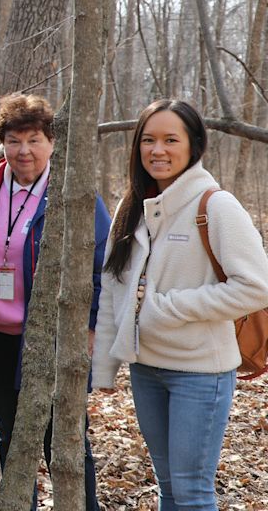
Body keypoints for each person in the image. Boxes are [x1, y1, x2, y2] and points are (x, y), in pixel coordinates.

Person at [93, 99, 268, 511]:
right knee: (168, 488)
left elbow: (257, 288)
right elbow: (112, 289)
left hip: (200, 374)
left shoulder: (216, 205)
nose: (158, 150)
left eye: (171, 140)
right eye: (149, 140)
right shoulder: (132, 206)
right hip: (146, 369)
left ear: (194, 145)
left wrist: (166, 308)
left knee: (191, 492)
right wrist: (104, 364)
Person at [0, 93, 107, 510]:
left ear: (52, 142)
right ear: (2, 142)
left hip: (50, 340)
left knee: (66, 440)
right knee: (11, 437)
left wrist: (89, 326)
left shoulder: (71, 194)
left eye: (34, 139)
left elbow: (100, 265)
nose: (24, 151)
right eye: (14, 139)